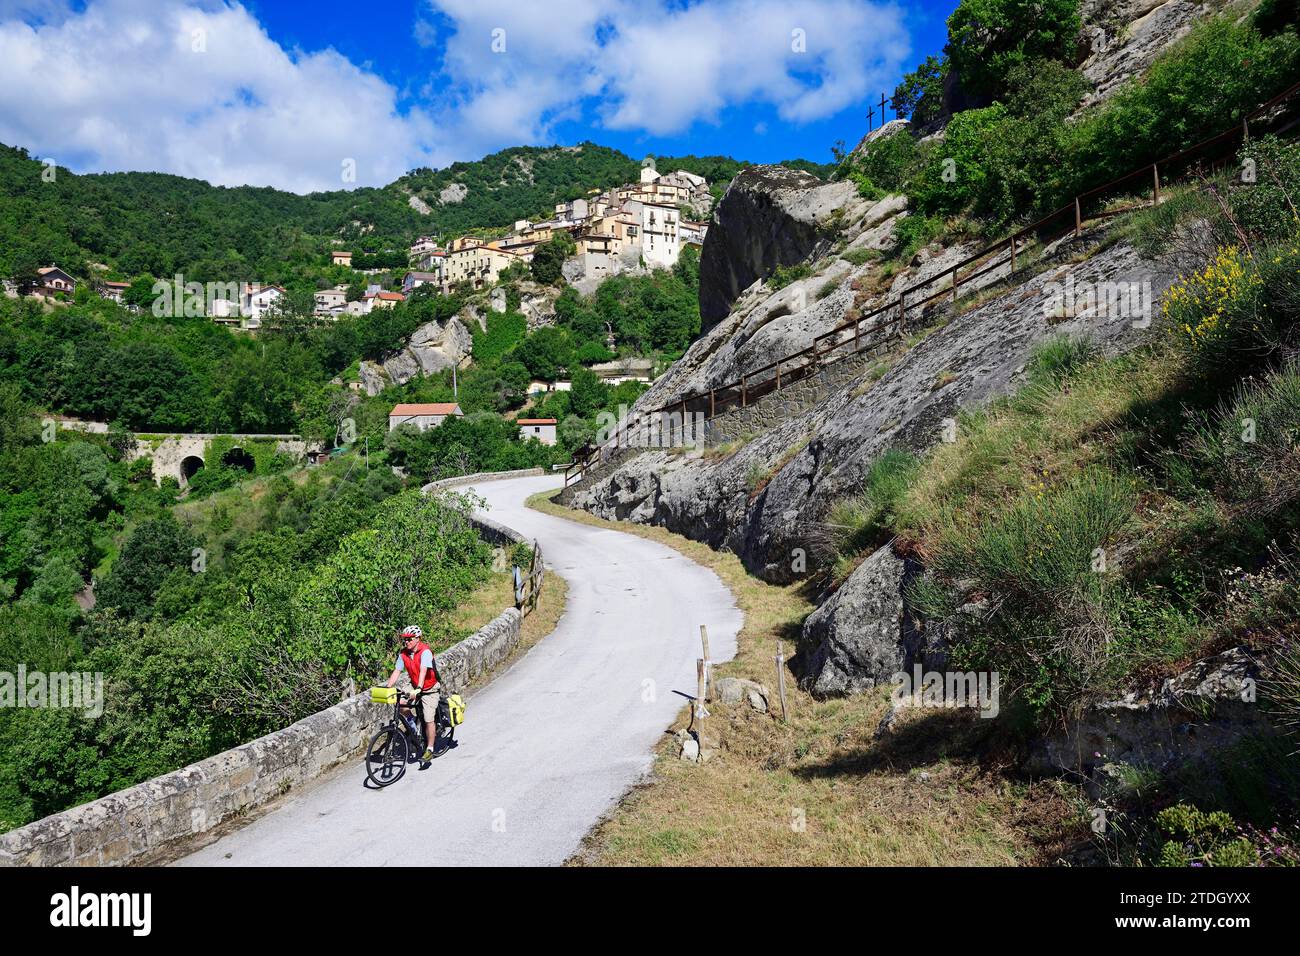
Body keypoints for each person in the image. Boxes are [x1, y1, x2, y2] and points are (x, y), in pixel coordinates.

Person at [384, 625, 441, 762]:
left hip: (429, 688)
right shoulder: (403, 654)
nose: (407, 642)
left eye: (410, 639)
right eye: (405, 640)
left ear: (417, 639)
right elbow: (397, 671)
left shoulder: (425, 652)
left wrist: (419, 688)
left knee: (428, 719)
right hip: (414, 684)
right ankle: (414, 730)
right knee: (402, 704)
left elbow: (423, 671)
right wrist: (388, 687)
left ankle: (430, 749)